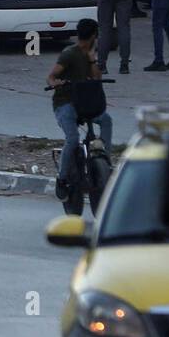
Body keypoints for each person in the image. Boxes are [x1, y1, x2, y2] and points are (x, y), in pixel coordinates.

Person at [47, 19, 114, 202]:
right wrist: (56, 83)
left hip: (84, 102)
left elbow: (96, 78)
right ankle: (61, 179)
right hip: (65, 103)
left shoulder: (91, 54)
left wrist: (92, 58)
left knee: (106, 120)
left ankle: (105, 162)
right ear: (94, 35)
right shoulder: (69, 54)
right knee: (73, 138)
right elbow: (51, 77)